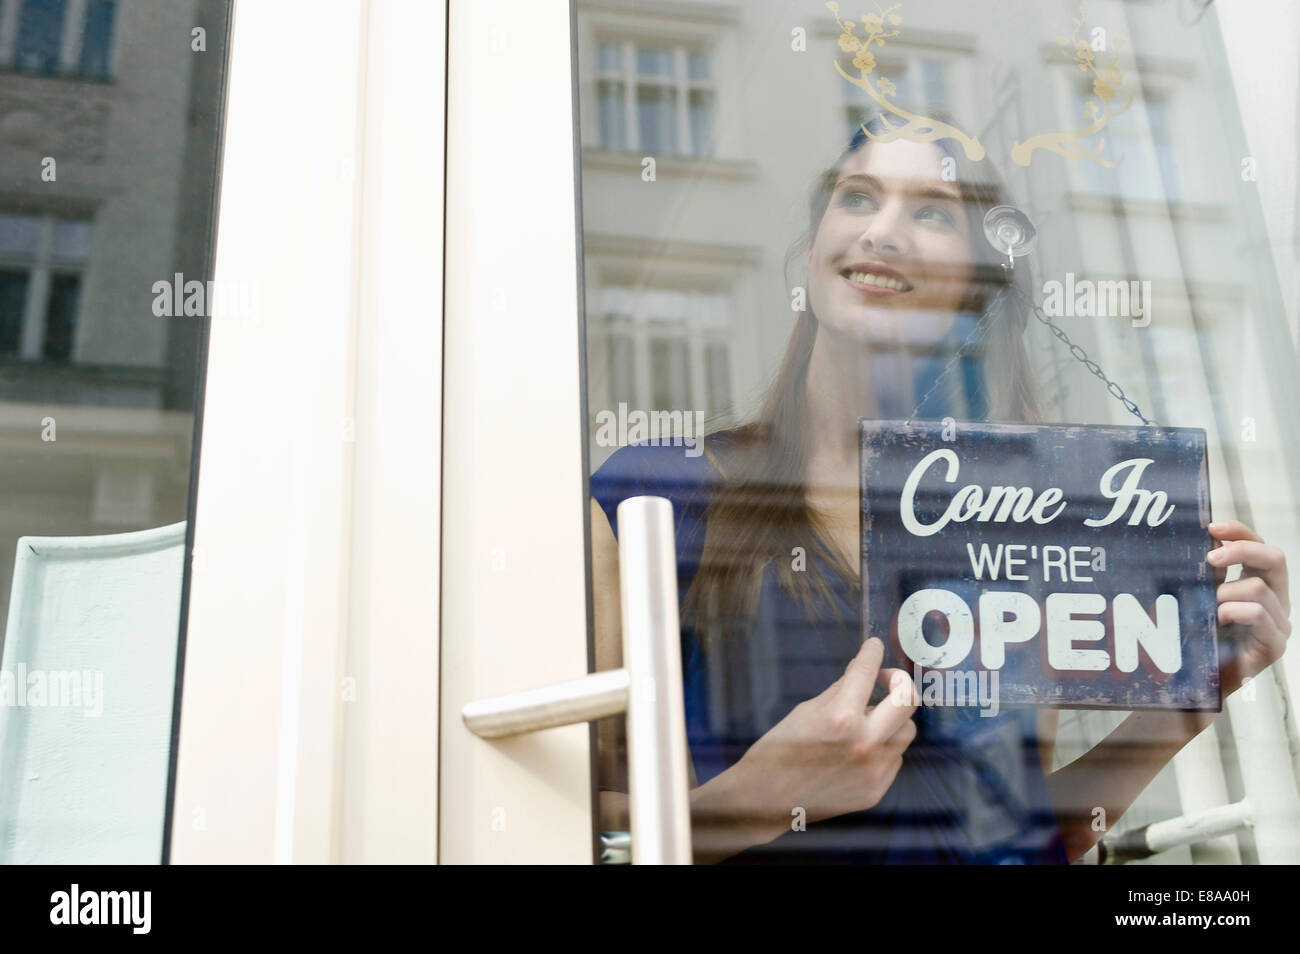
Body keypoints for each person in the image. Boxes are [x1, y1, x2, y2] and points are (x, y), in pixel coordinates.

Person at [588, 113, 1292, 864]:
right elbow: (558, 819)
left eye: (930, 213)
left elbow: (1015, 838)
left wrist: (1190, 698)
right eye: (858, 198)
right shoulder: (653, 499)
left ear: (980, 283)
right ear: (813, 249)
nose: (882, 232)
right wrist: (766, 794)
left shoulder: (1023, 523)